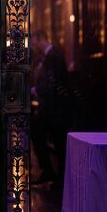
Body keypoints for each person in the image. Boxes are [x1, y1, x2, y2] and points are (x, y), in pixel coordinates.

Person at [30, 29, 70, 186]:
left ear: (41, 39)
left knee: (59, 143)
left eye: (34, 43)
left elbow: (54, 83)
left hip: (56, 109)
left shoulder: (54, 56)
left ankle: (59, 178)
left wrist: (36, 90)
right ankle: (49, 172)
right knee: (39, 134)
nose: (33, 47)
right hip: (48, 108)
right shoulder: (46, 57)